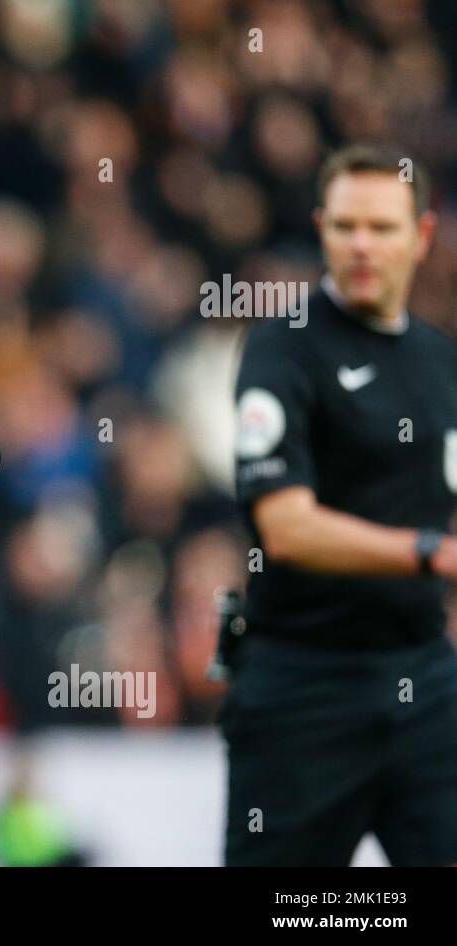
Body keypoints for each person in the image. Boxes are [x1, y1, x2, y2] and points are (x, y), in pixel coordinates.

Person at [223, 143, 457, 866]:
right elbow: (286, 529)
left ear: (420, 238)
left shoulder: (440, 358)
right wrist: (428, 554)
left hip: (424, 677)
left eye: (382, 228)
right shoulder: (281, 349)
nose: (361, 245)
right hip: (303, 687)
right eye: (345, 225)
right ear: (321, 228)